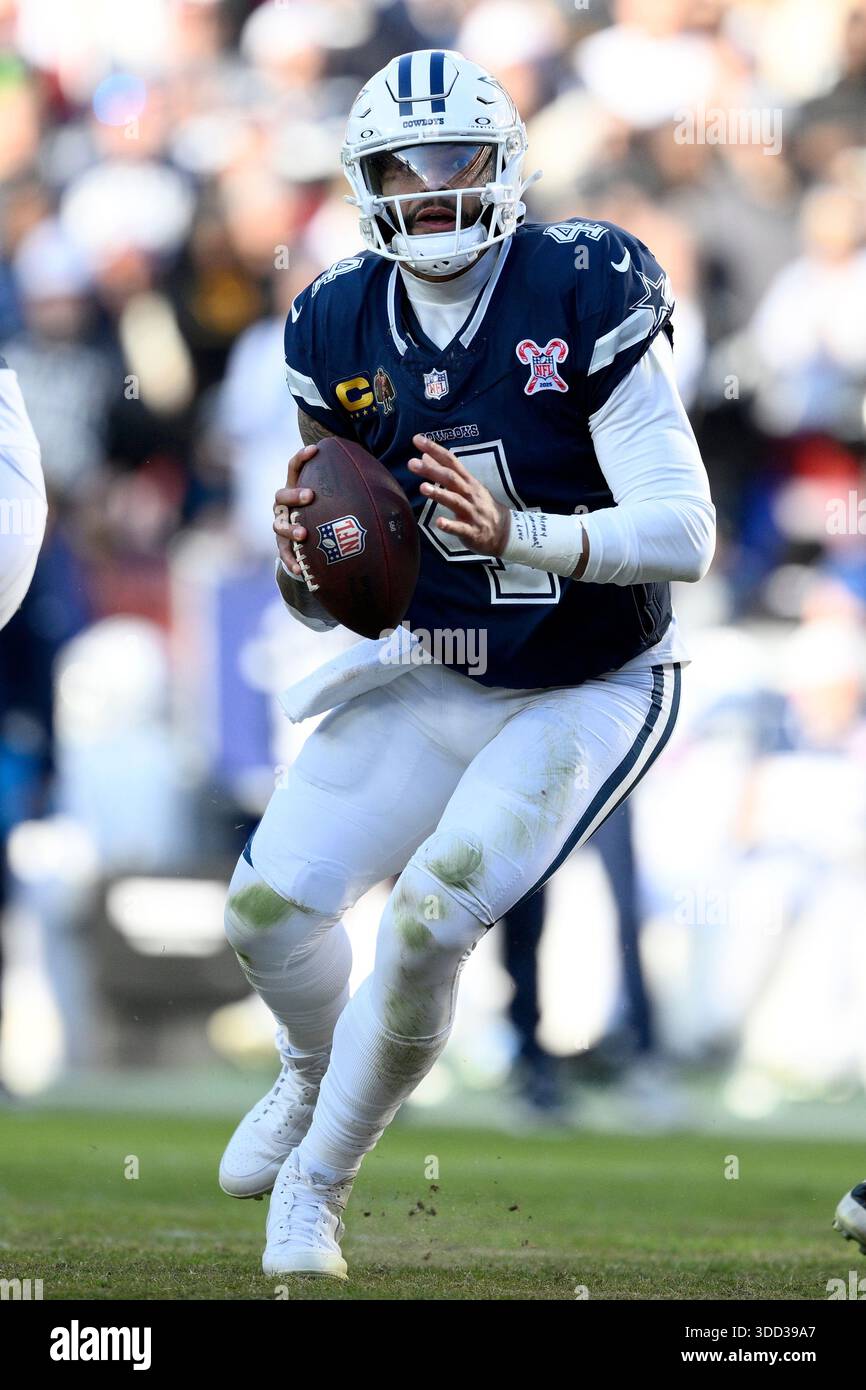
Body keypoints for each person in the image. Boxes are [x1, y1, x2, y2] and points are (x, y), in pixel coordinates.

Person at [219, 49, 715, 1280]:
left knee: (433, 915)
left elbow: (685, 531)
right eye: (406, 165)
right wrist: (300, 563)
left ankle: (317, 1189)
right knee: (265, 915)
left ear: (504, 167)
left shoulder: (577, 280)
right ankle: (305, 1069)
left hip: (586, 679)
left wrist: (524, 532)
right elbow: (334, 591)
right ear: (365, 178)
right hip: (432, 663)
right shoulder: (332, 318)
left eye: (456, 160)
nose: (433, 189)